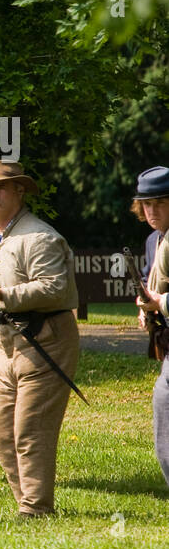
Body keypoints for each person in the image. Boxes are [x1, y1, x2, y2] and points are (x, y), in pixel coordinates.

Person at [0, 160, 80, 517]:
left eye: (1, 187)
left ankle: (35, 509)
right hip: (7, 347)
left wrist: (3, 295)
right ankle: (29, 502)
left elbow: (55, 287)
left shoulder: (40, 237)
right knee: (3, 435)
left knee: (30, 431)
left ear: (20, 191)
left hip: (45, 342)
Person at [131, 166, 169, 487]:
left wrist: (160, 303)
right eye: (147, 204)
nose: (152, 211)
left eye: (159, 203)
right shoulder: (152, 240)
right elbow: (149, 280)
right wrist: (145, 306)